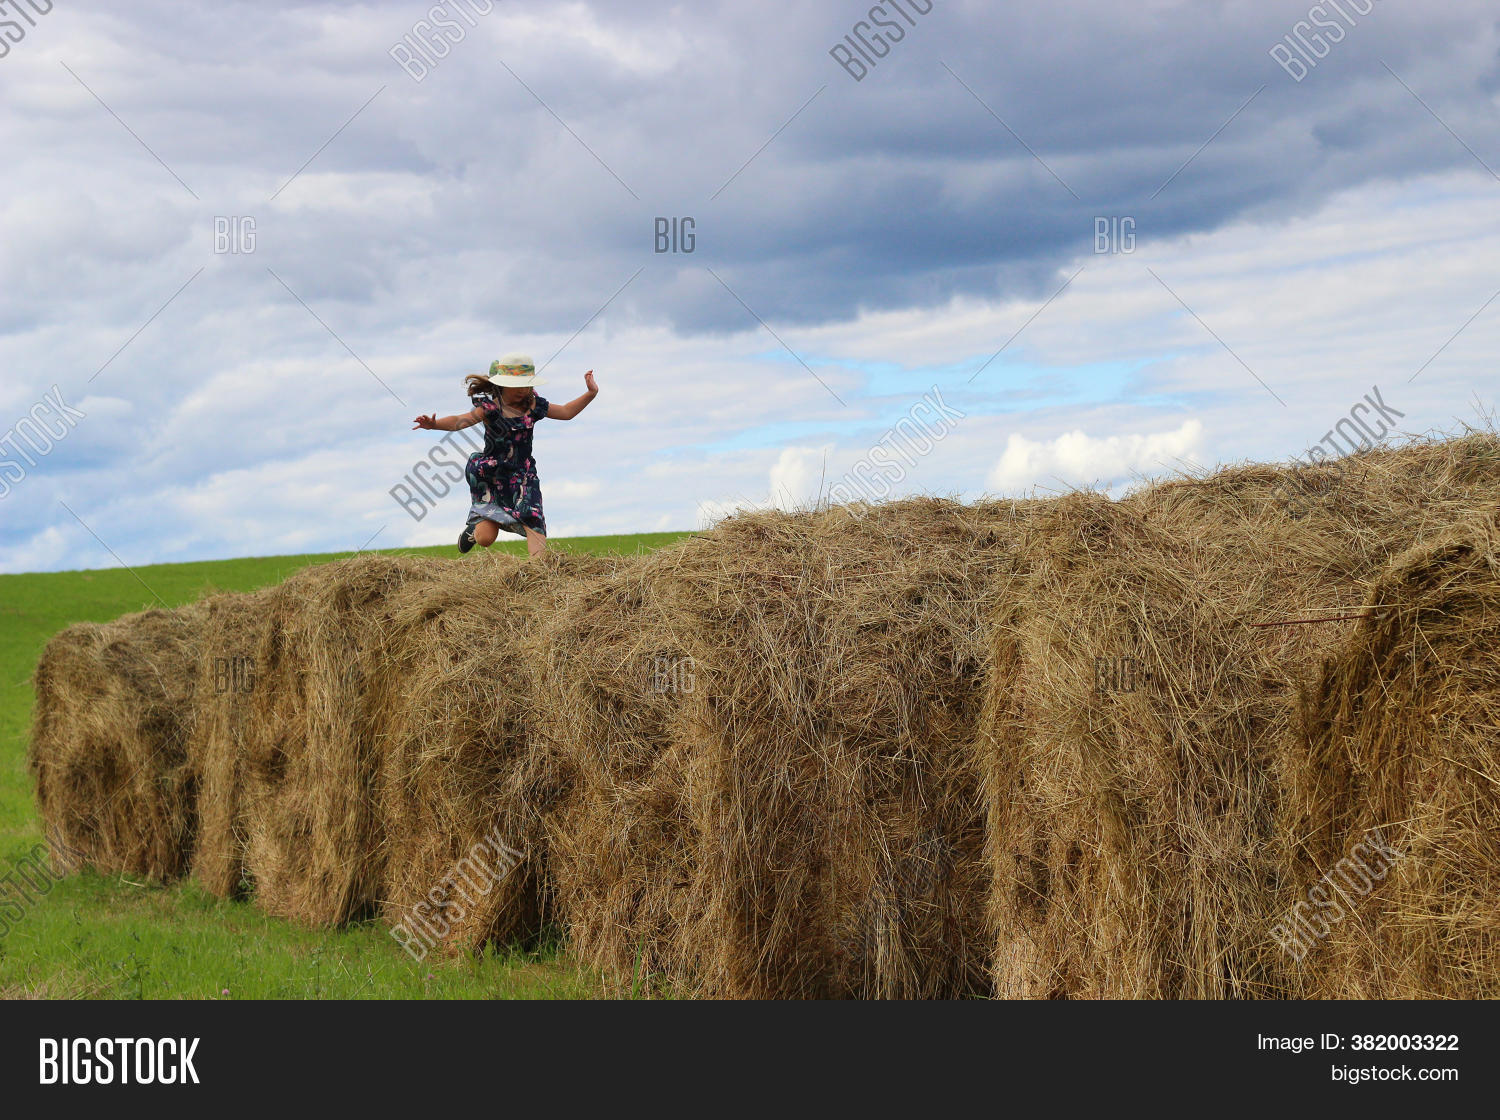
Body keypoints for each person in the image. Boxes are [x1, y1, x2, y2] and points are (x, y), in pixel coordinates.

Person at [412, 353, 598, 556]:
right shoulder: (489, 409)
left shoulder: (534, 405)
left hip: (524, 475)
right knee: (485, 539)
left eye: (526, 385)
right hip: (493, 476)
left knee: (534, 520)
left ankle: (539, 576)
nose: (523, 390)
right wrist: (434, 425)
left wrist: (590, 393)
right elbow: (459, 421)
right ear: (501, 385)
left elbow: (566, 412)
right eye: (517, 386)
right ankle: (474, 532)